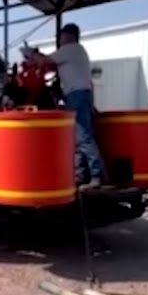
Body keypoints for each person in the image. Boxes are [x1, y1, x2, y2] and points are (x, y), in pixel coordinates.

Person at [24, 23, 104, 188]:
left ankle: (97, 176)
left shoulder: (71, 49)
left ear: (68, 36)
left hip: (77, 95)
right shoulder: (79, 51)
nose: (60, 40)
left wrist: (30, 53)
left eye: (61, 37)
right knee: (77, 138)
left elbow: (46, 61)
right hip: (81, 94)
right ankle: (79, 175)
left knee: (83, 137)